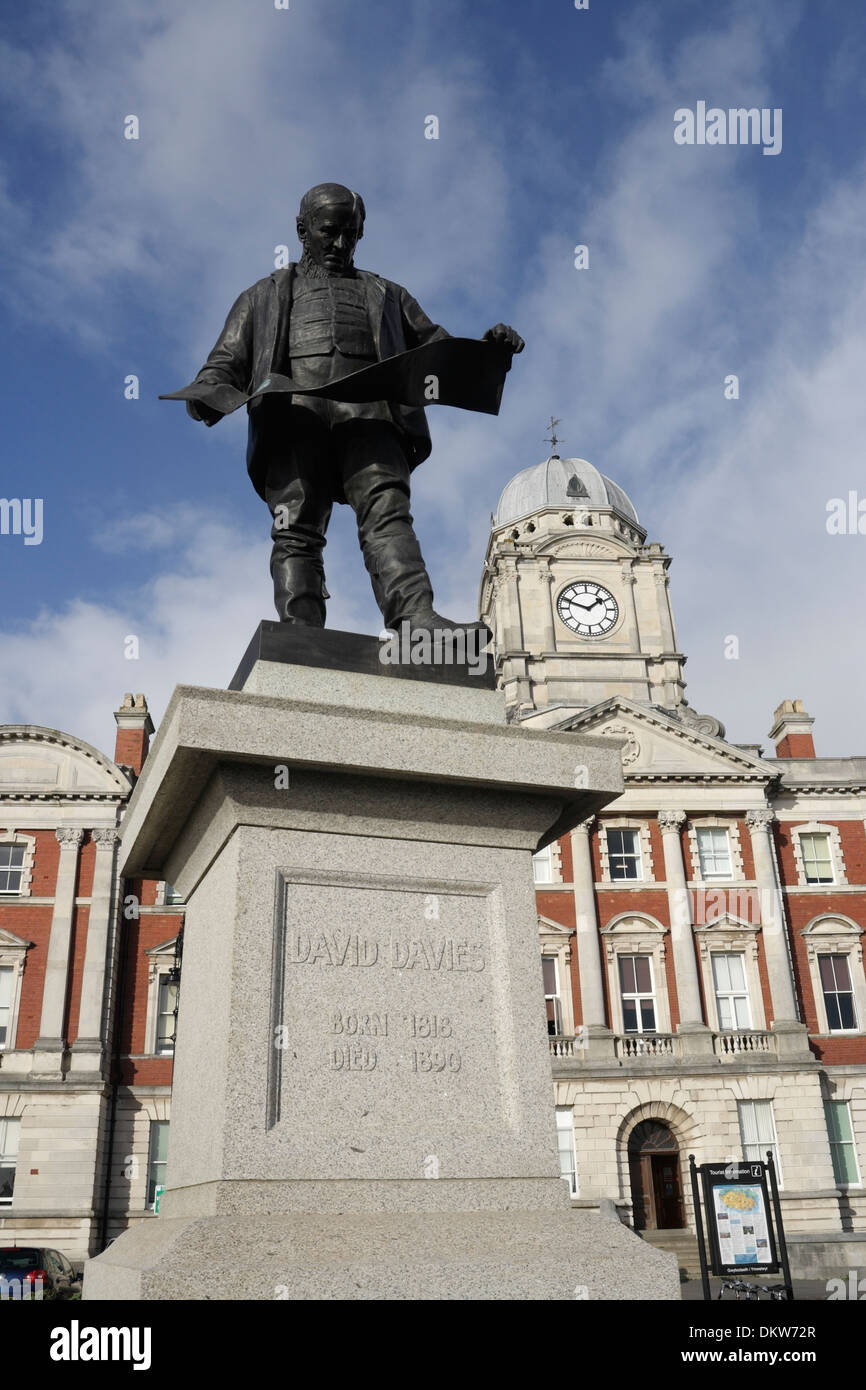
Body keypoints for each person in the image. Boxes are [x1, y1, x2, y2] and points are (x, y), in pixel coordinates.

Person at [184, 183, 524, 631]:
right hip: (294, 417)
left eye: (352, 233)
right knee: (296, 528)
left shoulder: (389, 294)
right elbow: (224, 363)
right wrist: (208, 396)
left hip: (371, 416)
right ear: (302, 230)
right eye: (330, 232)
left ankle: (414, 619)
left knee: (388, 514)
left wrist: (486, 350)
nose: (341, 244)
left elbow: (437, 348)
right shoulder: (261, 296)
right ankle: (300, 631)